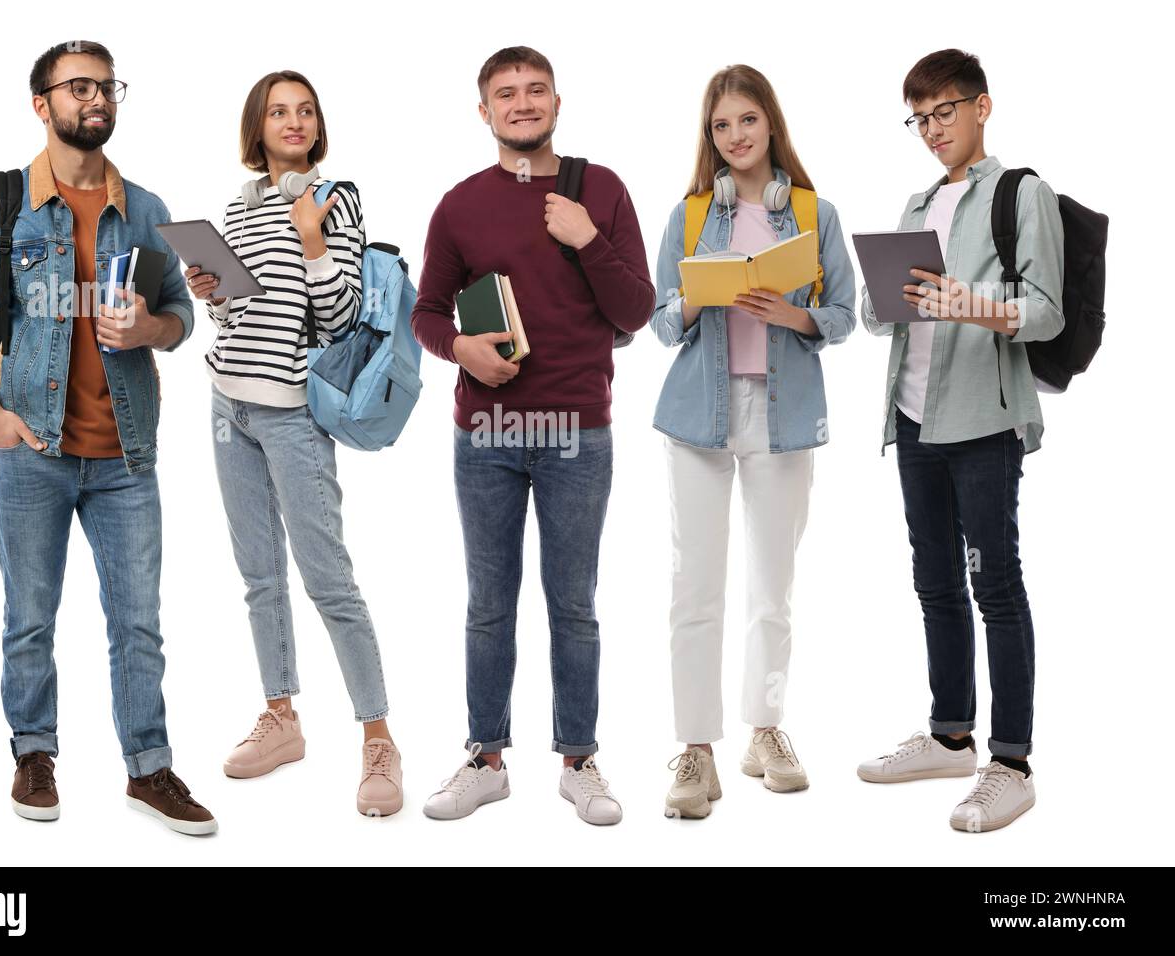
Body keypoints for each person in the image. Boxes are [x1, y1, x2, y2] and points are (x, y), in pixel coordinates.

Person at [0, 40, 215, 834]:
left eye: (107, 85)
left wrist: (151, 328)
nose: (97, 98)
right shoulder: (2, 205)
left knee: (139, 621)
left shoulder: (153, 210)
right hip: (32, 449)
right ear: (43, 104)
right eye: (80, 86)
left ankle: (149, 768)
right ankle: (35, 752)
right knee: (30, 614)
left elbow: (183, 317)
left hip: (127, 458)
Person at [411, 46, 654, 825]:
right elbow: (425, 313)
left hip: (578, 433)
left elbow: (636, 312)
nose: (522, 104)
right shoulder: (458, 205)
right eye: (505, 94)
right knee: (489, 603)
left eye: (535, 90)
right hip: (484, 435)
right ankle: (485, 757)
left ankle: (579, 760)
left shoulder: (602, 191)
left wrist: (587, 238)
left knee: (573, 604)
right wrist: (462, 348)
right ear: (484, 112)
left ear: (557, 102)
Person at [856, 49, 1065, 833]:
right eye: (920, 117)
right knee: (934, 581)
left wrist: (966, 301)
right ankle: (950, 735)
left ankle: (1009, 762)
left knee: (996, 587)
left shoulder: (1020, 192)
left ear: (982, 107)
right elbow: (889, 318)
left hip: (984, 421)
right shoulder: (917, 203)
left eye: (945, 111)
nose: (933, 129)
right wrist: (886, 300)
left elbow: (1044, 310)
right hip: (912, 418)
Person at [185, 70, 402, 817]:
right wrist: (213, 295)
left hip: (291, 414)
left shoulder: (335, 199)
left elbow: (340, 317)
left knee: (329, 581)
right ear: (258, 125)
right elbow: (236, 320)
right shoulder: (236, 208)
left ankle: (378, 737)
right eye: (279, 110)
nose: (294, 120)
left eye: (305, 110)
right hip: (227, 405)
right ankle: (281, 718)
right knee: (258, 575)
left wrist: (312, 240)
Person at [648, 65, 855, 818]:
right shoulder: (693, 212)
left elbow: (843, 315)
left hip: (783, 413)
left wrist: (792, 315)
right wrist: (695, 300)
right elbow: (659, 320)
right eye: (720, 126)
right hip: (697, 417)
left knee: (774, 590)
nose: (734, 137)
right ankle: (696, 750)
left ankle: (764, 729)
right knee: (694, 591)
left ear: (771, 123)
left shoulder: (812, 210)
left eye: (746, 121)